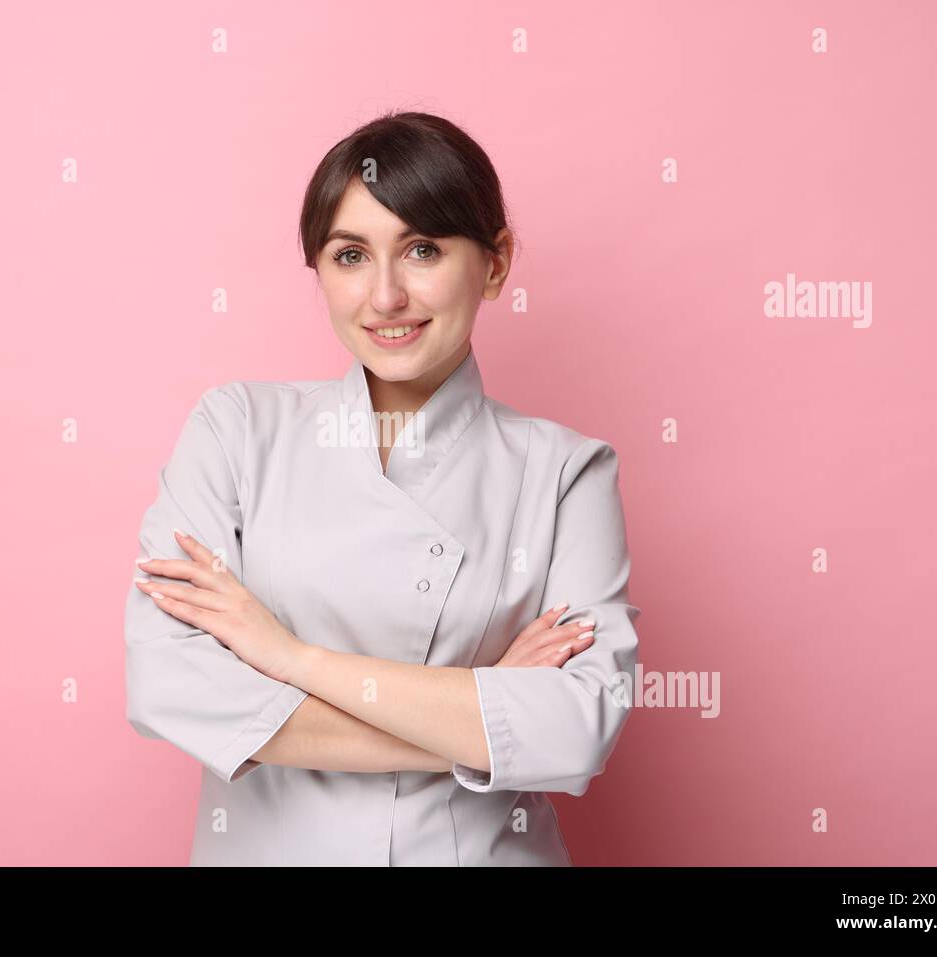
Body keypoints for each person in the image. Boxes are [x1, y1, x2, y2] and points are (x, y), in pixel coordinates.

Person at [125, 110, 640, 866]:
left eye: (423, 249)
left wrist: (291, 658)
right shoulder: (236, 429)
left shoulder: (566, 473)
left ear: (495, 263)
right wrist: (482, 703)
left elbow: (576, 729)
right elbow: (167, 683)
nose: (386, 295)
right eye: (351, 255)